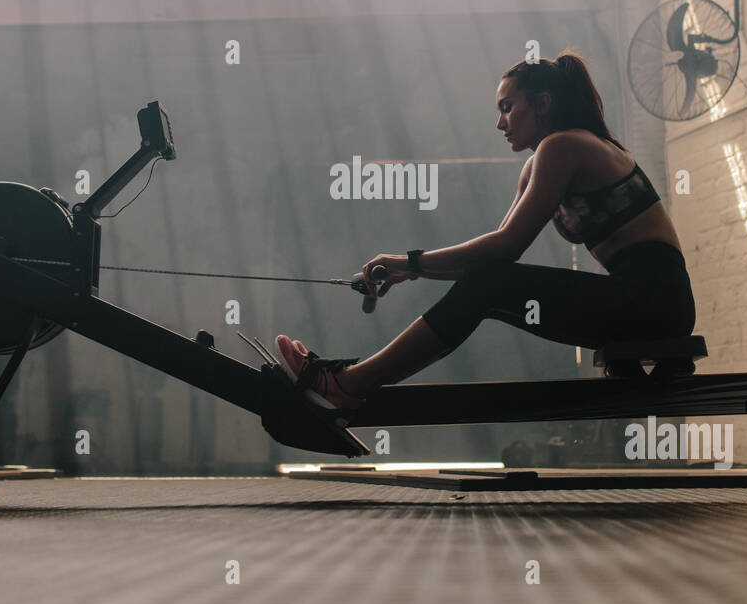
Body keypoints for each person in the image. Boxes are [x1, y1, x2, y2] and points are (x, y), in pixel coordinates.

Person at [276, 49, 696, 411]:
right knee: (487, 281)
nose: (500, 123)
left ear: (543, 103)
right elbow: (492, 252)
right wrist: (409, 268)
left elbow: (504, 250)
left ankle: (349, 384)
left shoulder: (565, 146)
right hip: (637, 302)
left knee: (489, 283)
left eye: (507, 107)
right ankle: (350, 382)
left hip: (656, 302)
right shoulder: (542, 161)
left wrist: (409, 263)